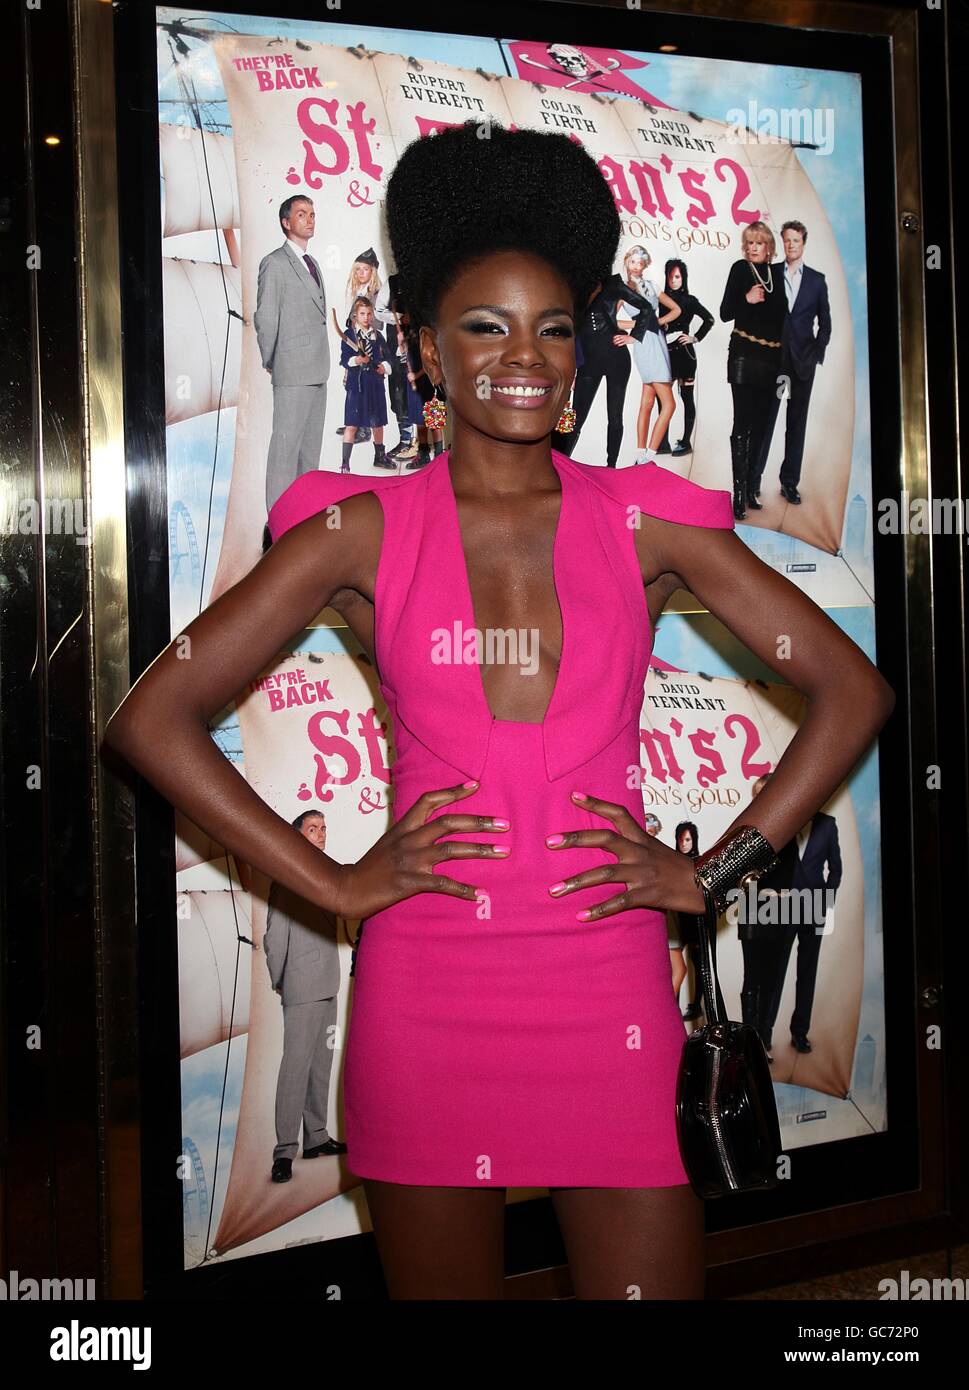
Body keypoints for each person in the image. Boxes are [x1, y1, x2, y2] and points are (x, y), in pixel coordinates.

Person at [103, 120, 895, 1300]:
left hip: (611, 986)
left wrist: (716, 871)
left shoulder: (649, 520)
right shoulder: (358, 531)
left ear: (581, 351)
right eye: (485, 325)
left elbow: (853, 687)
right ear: (426, 349)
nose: (524, 355)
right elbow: (152, 718)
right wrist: (333, 885)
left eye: (554, 328)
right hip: (429, 996)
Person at [264, 810, 347, 1183]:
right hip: (300, 984)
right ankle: (284, 1151)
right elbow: (274, 936)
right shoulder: (288, 877)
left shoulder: (329, 873)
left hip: (327, 982)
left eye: (324, 828)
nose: (320, 834)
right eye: (312, 829)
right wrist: (279, 979)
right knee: (294, 1068)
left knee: (320, 1065)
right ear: (297, 836)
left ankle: (316, 1138)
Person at [254, 195, 331, 513]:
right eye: (302, 214)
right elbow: (265, 317)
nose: (310, 219)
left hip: (318, 369)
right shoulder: (275, 262)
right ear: (286, 222)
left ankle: (304, 518)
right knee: (285, 450)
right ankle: (277, 521)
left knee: (309, 453)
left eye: (313, 213)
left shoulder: (312, 264)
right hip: (292, 369)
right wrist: (271, 359)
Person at [750, 221, 832, 505]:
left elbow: (825, 324)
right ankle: (753, 480)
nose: (791, 245)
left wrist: (815, 354)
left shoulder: (817, 281)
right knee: (765, 419)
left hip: (802, 365)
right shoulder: (770, 274)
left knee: (796, 424)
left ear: (803, 242)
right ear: (782, 243)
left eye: (796, 240)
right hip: (774, 361)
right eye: (786, 240)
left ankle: (789, 483)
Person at [718, 221, 787, 520]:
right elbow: (724, 312)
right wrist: (745, 299)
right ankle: (737, 493)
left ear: (769, 247)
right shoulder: (739, 269)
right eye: (749, 243)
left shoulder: (778, 275)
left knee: (760, 427)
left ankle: (749, 490)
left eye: (758, 243)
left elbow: (782, 318)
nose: (752, 248)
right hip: (745, 355)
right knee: (742, 424)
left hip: (772, 359)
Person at [613, 246, 682, 464]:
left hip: (658, 341)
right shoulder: (622, 290)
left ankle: (640, 454)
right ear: (626, 263)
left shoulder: (652, 286)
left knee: (648, 402)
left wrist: (657, 323)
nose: (636, 266)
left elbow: (676, 310)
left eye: (640, 263)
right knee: (669, 405)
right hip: (645, 344)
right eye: (632, 262)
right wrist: (639, 325)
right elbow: (611, 319)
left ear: (645, 265)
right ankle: (649, 456)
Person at [655, 259, 715, 457]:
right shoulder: (660, 298)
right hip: (666, 352)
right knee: (662, 397)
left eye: (677, 276)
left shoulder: (690, 300)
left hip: (685, 353)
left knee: (686, 397)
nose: (673, 280)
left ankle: (686, 441)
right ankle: (663, 442)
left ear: (684, 278)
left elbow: (709, 319)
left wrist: (694, 338)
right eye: (670, 276)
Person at [338, 296, 393, 472]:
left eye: (369, 314)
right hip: (357, 385)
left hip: (375, 384)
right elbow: (344, 359)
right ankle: (345, 463)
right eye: (362, 314)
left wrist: (384, 367)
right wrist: (357, 359)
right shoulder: (350, 336)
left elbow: (389, 357)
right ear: (356, 315)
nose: (366, 317)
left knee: (377, 422)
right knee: (352, 423)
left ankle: (379, 456)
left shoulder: (377, 336)